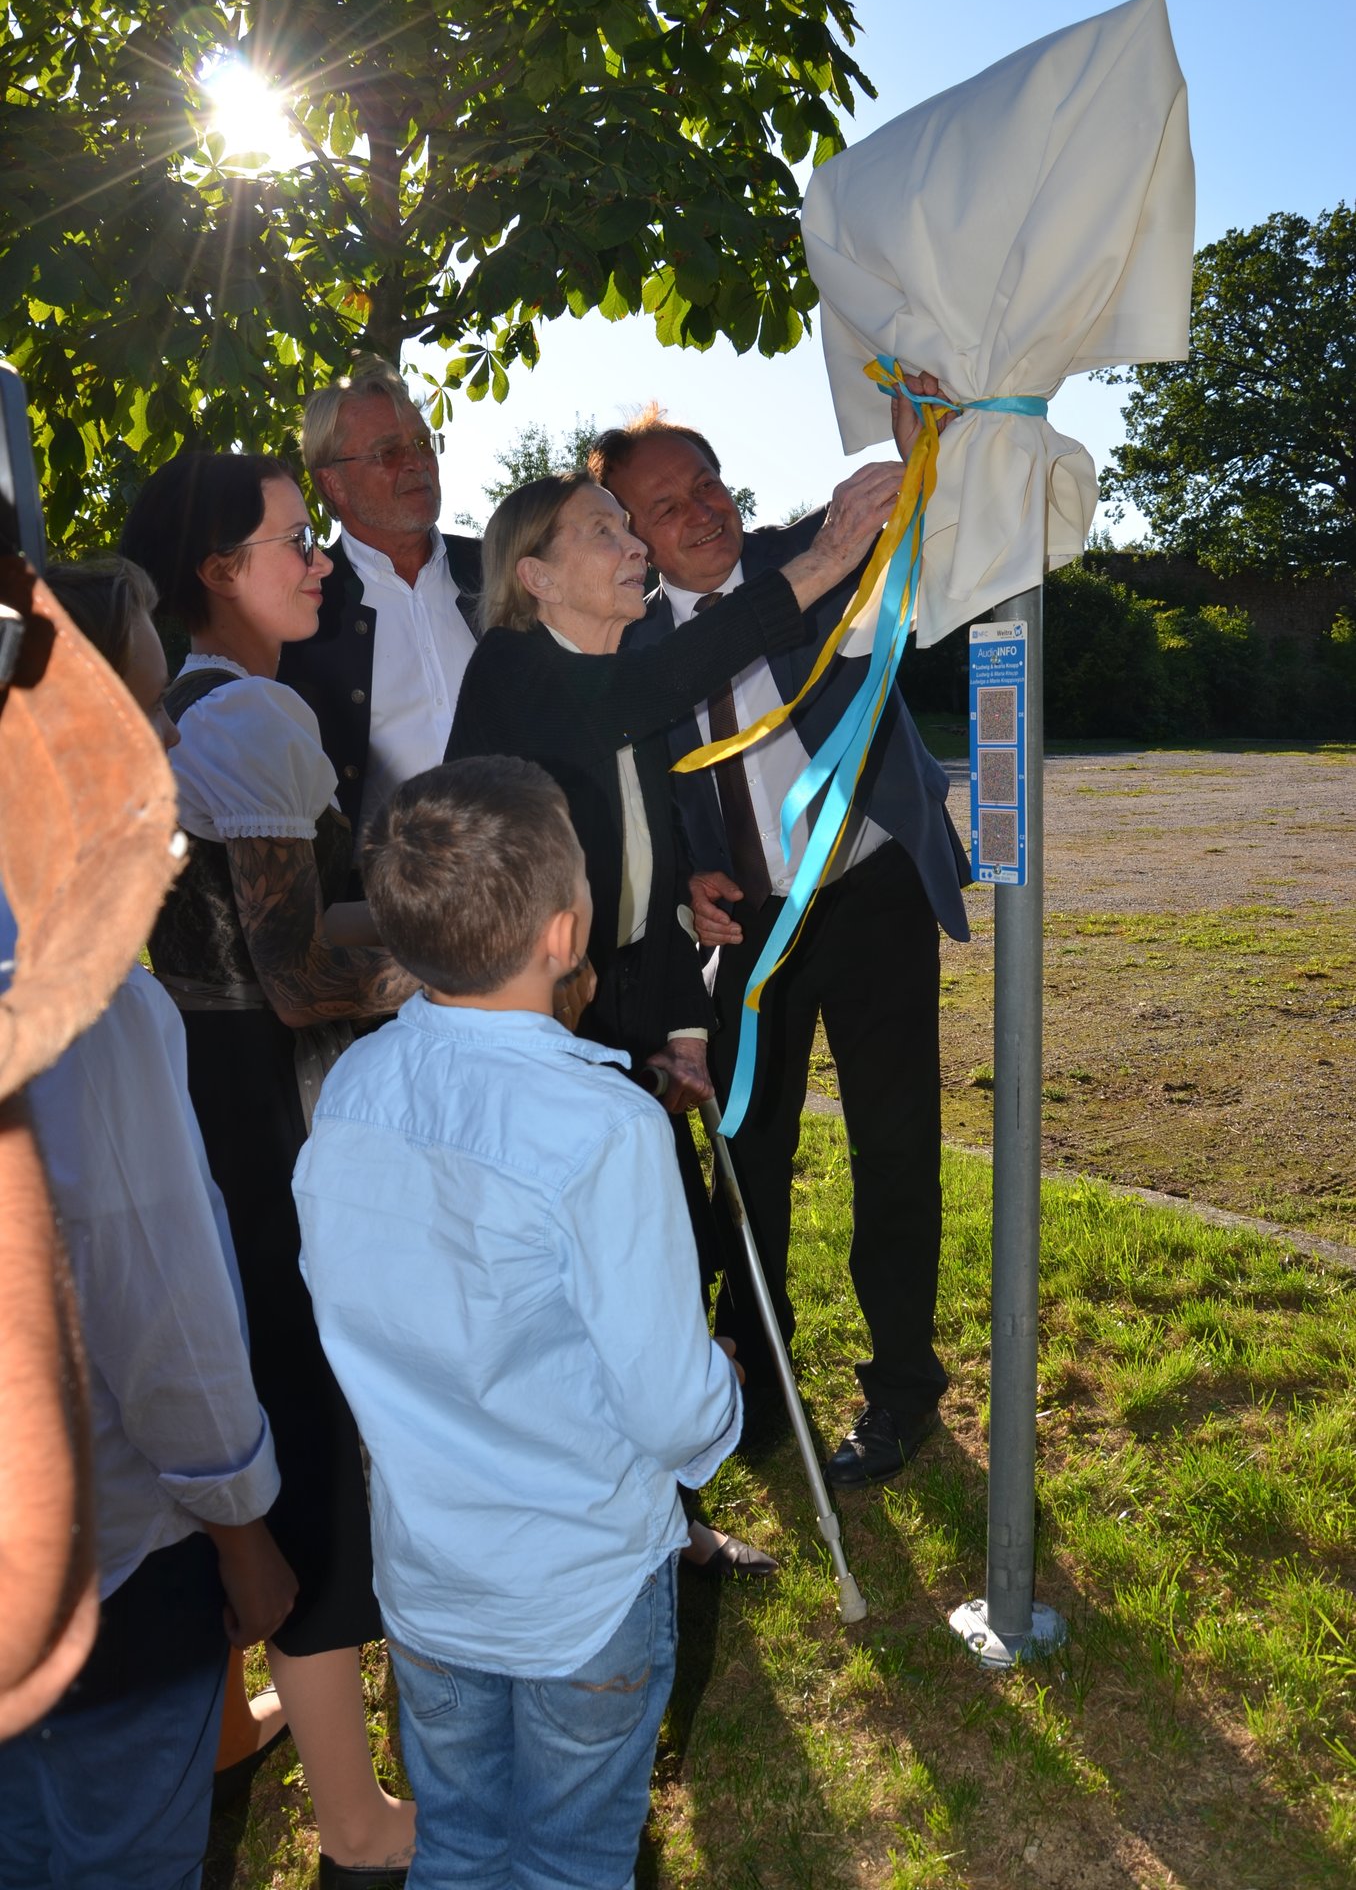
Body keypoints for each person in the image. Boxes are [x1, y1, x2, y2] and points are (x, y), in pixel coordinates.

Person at [293, 755, 746, 1889]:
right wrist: (721, 1389)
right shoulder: (603, 1126)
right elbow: (665, 1395)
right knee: (570, 1861)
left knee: (458, 1843)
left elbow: (351, 1299)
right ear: (565, 929)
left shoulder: (350, 1090)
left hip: (432, 1577)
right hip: (581, 1585)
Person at [446, 461, 904, 1561]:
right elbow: (680, 674)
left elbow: (649, 885)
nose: (634, 544)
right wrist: (827, 559)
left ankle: (665, 1513)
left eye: (626, 526)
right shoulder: (518, 672)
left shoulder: (618, 671)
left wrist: (684, 1032)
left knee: (672, 1246)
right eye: (605, 529)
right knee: (579, 1282)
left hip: (620, 1019)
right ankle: (589, 1517)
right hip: (532, 1039)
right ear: (537, 575)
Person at [121, 455, 419, 1888]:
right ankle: (360, 1825)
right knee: (302, 1432)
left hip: (181, 1097)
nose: (321, 565)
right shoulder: (250, 712)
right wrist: (458, 964)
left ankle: (244, 1722)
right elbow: (298, 974)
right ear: (213, 572)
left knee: (216, 1407)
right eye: (294, 545)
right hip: (256, 1119)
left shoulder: (161, 702)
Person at [594, 384, 972, 1488]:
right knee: (747, 1156)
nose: (703, 508)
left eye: (708, 480)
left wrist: (923, 436)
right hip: (748, 935)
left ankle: (902, 1386)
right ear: (628, 532)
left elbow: (913, 503)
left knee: (894, 1146)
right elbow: (648, 801)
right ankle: (756, 1379)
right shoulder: (626, 646)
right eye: (666, 504)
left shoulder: (815, 555)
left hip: (872, 899)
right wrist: (684, 884)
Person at [0, 557, 296, 1888]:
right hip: (102, 1572)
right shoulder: (88, 1007)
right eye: (147, 709)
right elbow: (160, 1309)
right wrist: (242, 1533)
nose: (173, 740)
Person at [278, 359, 482, 857]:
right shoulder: (303, 613)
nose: (416, 463)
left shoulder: (498, 569)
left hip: (533, 893)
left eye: (421, 443)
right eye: (388, 452)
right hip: (383, 919)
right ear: (333, 485)